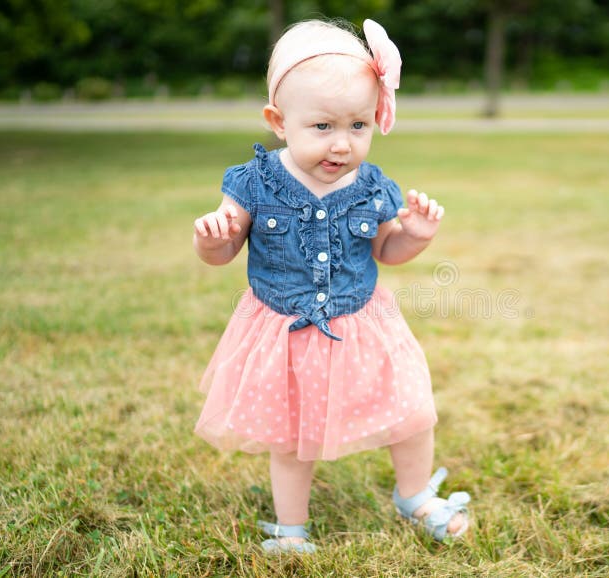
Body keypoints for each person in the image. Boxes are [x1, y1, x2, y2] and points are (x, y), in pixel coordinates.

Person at [192, 18, 470, 553]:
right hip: (285, 332)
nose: (342, 144)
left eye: (359, 126)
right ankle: (290, 527)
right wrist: (212, 239)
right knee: (293, 435)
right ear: (279, 120)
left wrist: (416, 235)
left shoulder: (372, 186)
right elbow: (222, 254)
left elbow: (386, 250)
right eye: (322, 127)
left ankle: (414, 494)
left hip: (364, 322)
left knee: (411, 408)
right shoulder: (252, 182)